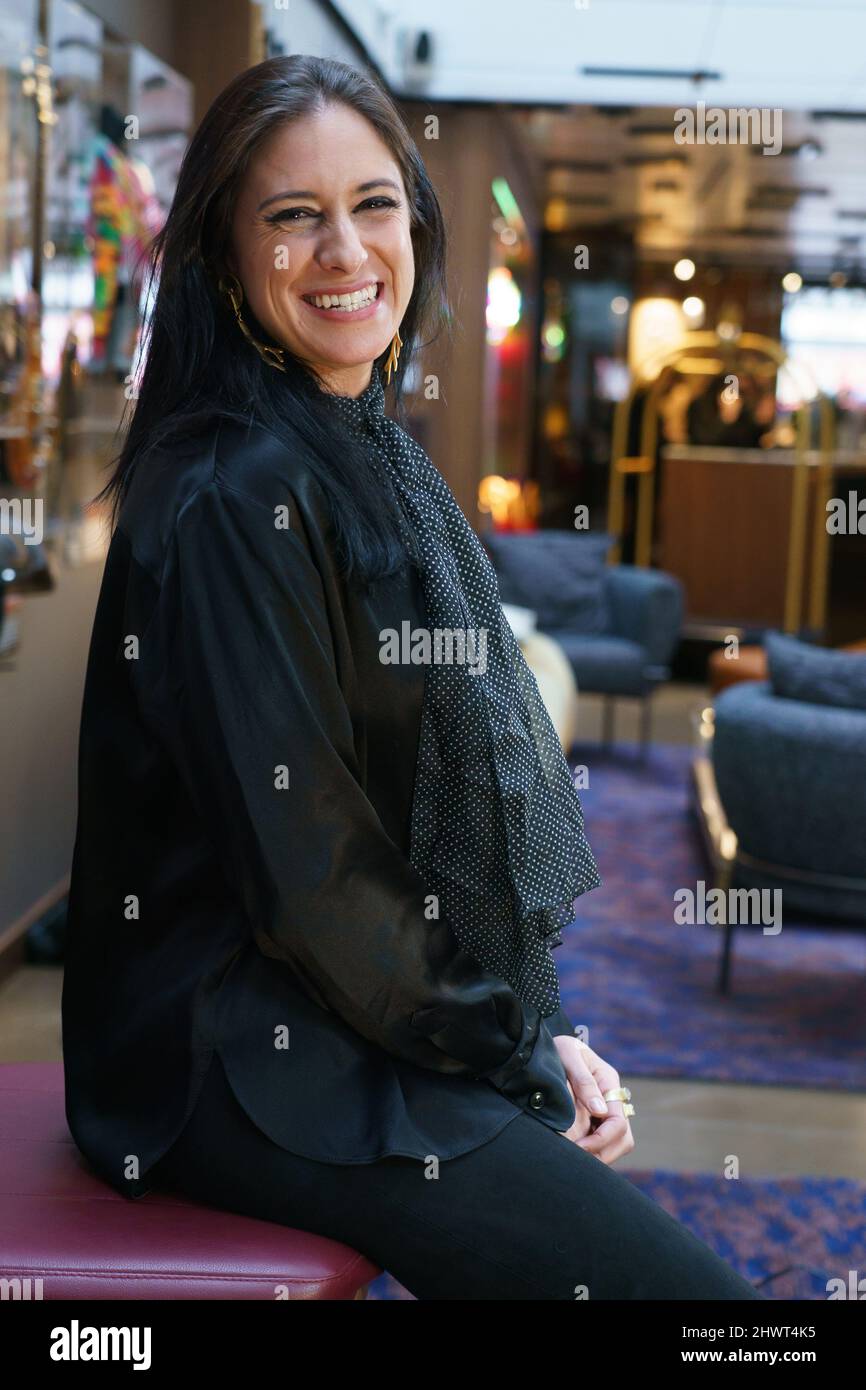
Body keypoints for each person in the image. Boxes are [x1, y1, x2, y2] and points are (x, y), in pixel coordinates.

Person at [61, 54, 765, 1301]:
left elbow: (384, 850)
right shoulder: (236, 493)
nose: (344, 250)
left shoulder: (356, 449)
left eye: (373, 203)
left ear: (416, 227)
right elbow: (314, 868)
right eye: (292, 215)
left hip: (342, 1010)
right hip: (234, 1058)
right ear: (227, 258)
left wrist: (522, 1031)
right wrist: (515, 1058)